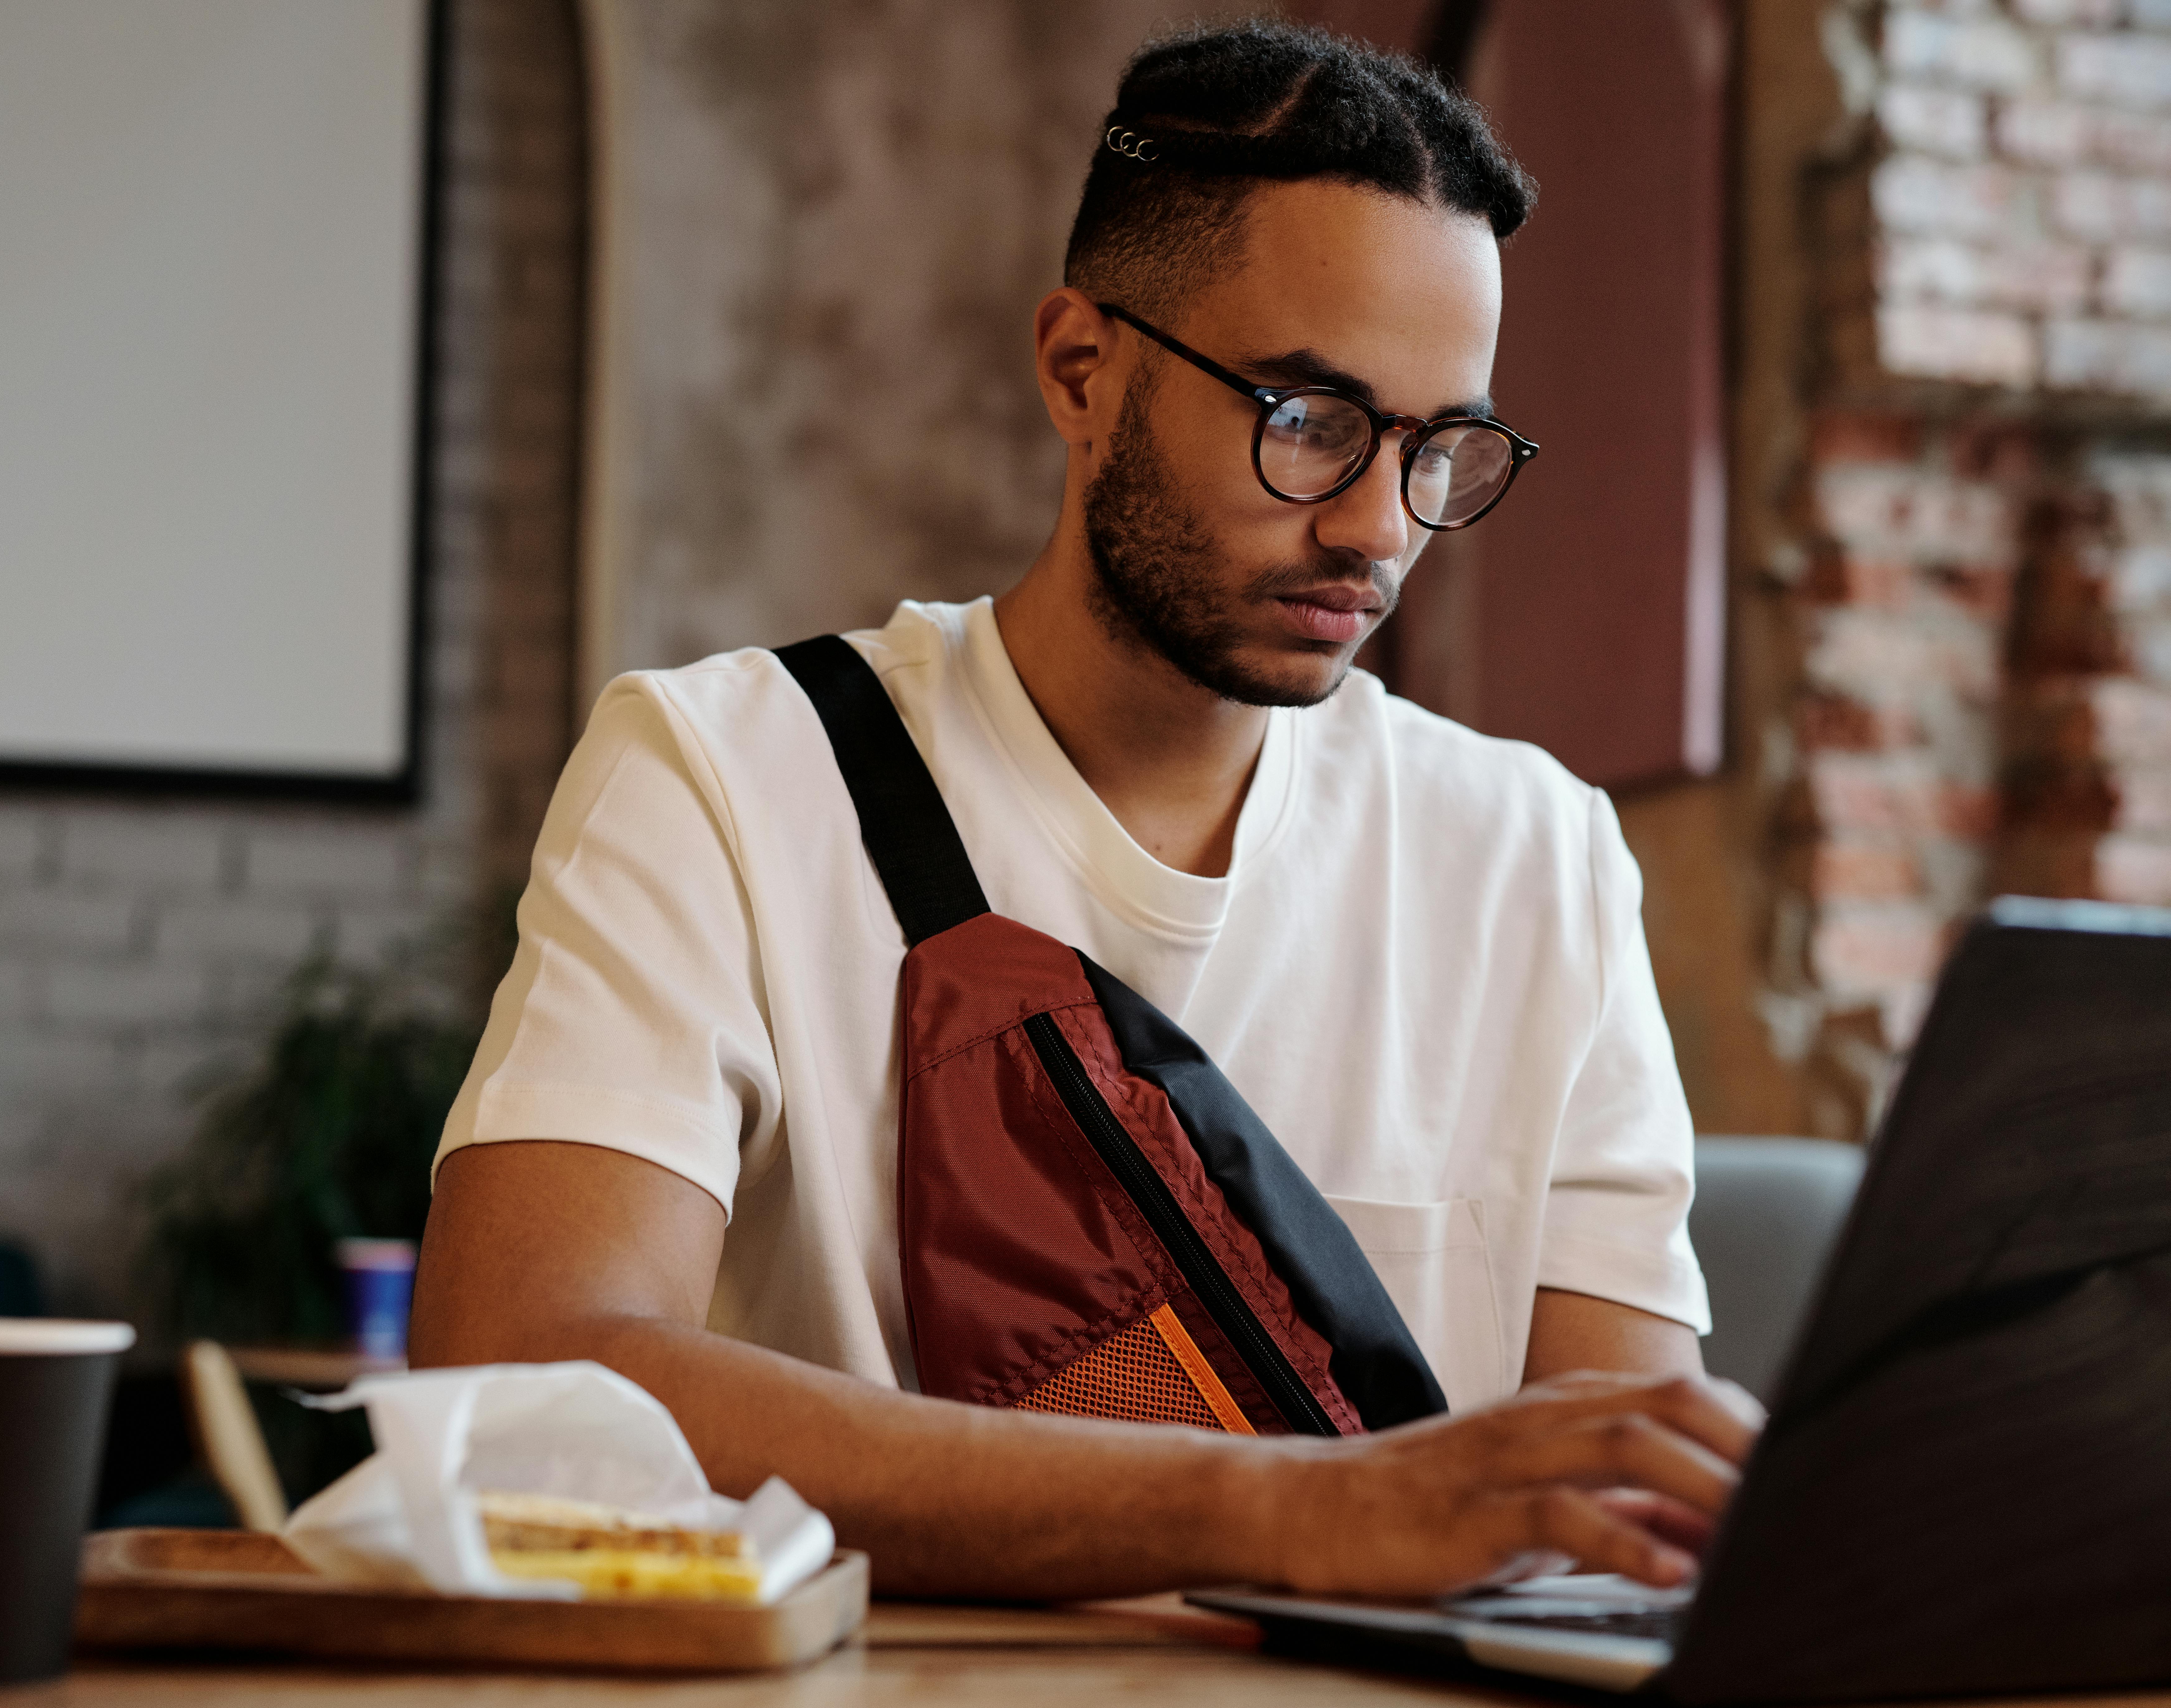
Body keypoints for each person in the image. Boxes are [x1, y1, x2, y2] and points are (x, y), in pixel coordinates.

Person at [411, 20, 1761, 1602]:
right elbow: (523, 1378)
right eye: (1308, 420)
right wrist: (1291, 1513)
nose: (1377, 529)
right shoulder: (722, 771)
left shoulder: (1536, 858)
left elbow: (1612, 1486)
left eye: (1436, 445)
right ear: (1080, 369)